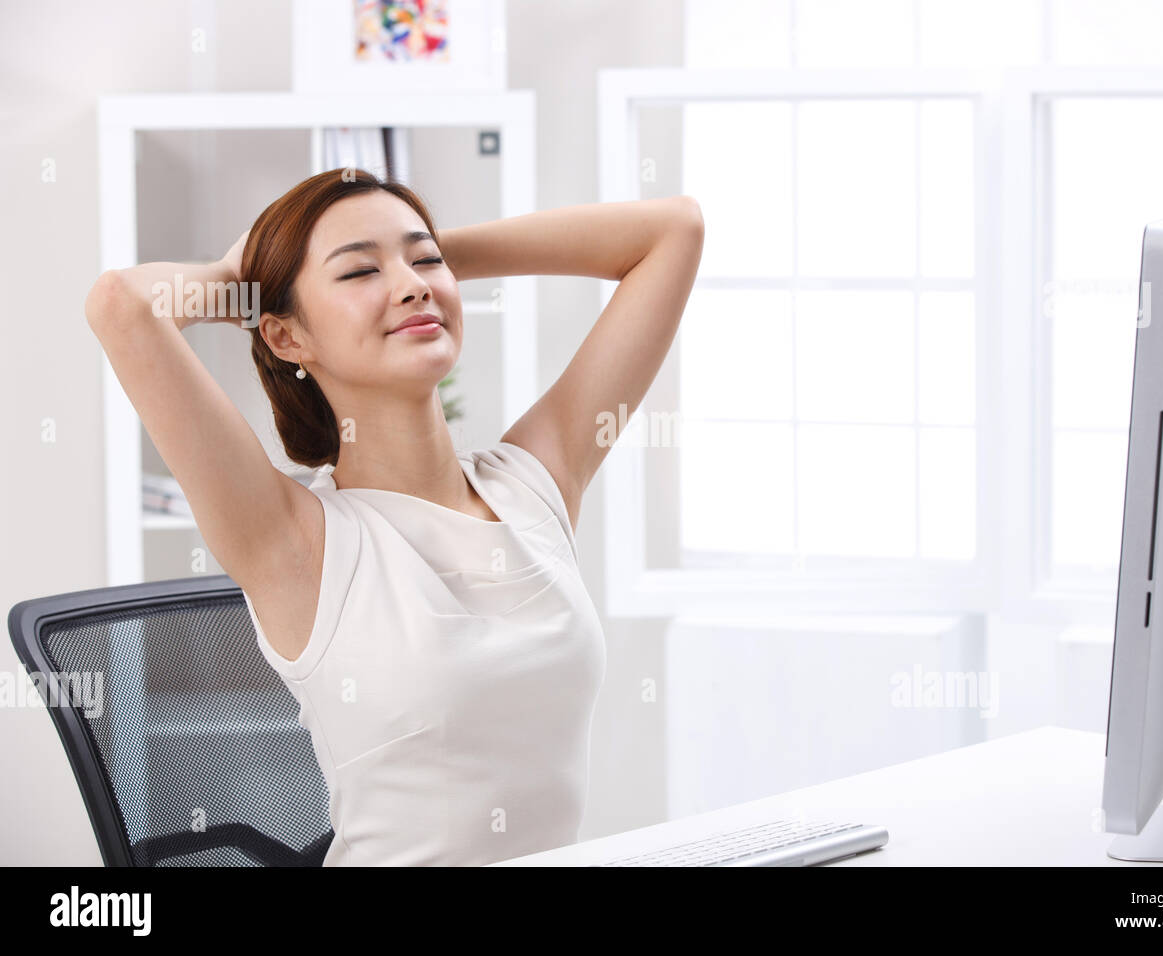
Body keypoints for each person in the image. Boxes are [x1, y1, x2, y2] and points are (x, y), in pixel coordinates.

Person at [84, 169, 705, 864]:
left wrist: (416, 264)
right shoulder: (297, 542)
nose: (412, 284)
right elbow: (121, 305)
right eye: (356, 273)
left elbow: (674, 230)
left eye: (426, 260)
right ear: (288, 337)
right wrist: (247, 274)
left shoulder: (535, 483)